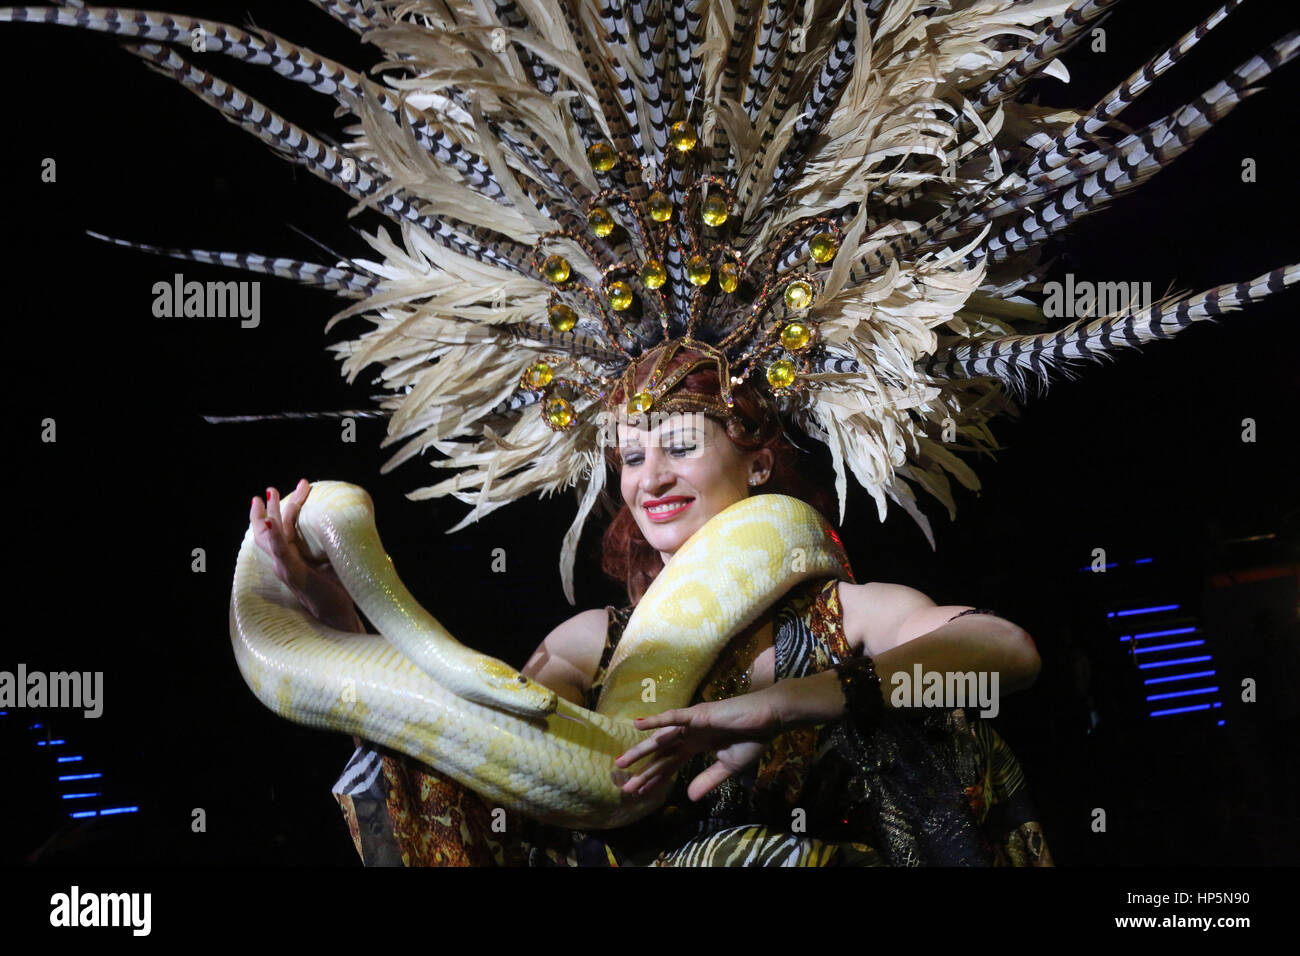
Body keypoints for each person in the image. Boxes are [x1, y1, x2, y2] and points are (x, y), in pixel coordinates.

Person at [250, 344, 1053, 866]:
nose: (650, 479)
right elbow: (476, 764)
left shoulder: (845, 619)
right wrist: (340, 628)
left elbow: (1006, 654)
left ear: (762, 463)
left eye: (679, 445)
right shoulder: (590, 644)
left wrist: (779, 707)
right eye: (631, 456)